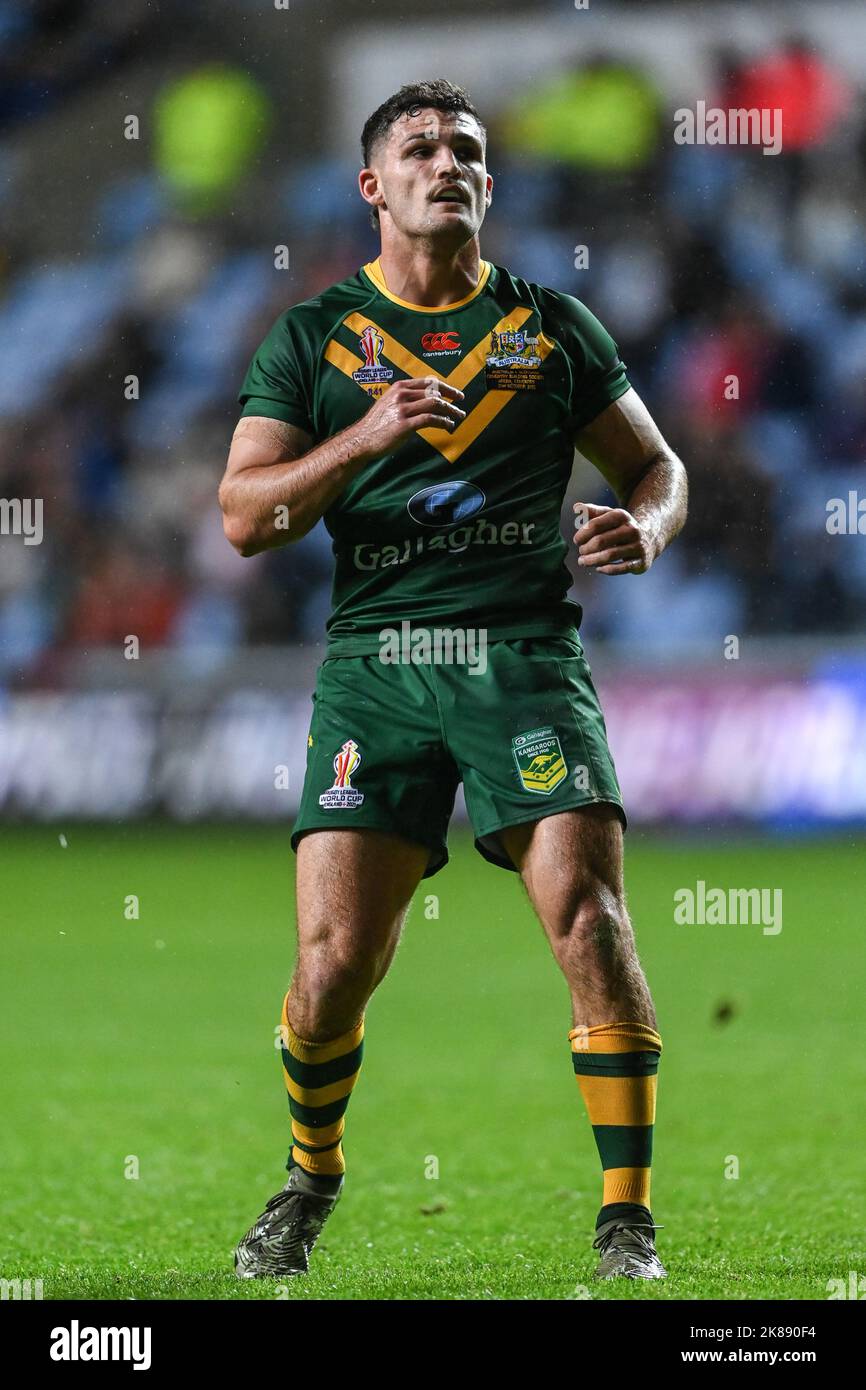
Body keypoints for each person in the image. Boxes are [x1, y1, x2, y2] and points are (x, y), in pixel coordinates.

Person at [219, 78, 687, 1282]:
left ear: (489, 180)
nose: (448, 162)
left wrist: (648, 525)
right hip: (375, 668)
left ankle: (624, 1217)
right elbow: (242, 518)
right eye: (420, 148)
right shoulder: (312, 338)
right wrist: (365, 436)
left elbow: (658, 469)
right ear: (372, 184)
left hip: (522, 660)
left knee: (589, 923)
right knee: (332, 967)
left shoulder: (552, 326)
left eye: (467, 149)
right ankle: (308, 1178)